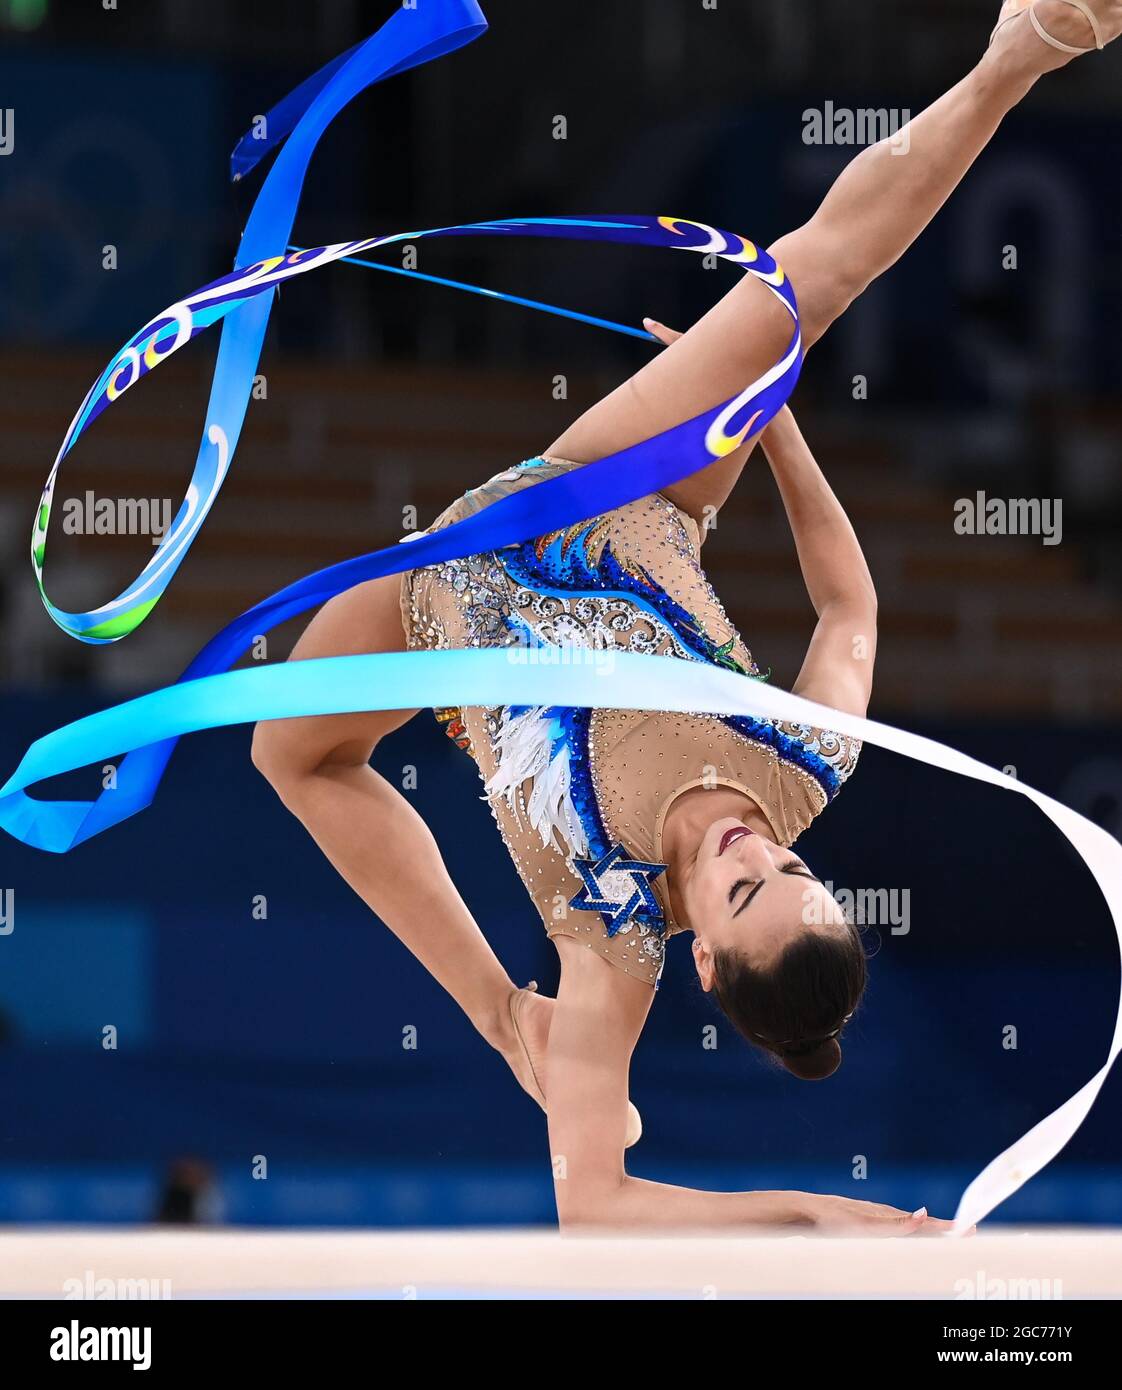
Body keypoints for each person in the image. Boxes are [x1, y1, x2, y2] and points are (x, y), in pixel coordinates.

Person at [251, 3, 1120, 1233]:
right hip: (613, 492)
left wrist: (821, 1218)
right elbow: (850, 604)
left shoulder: (610, 938)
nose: (756, 853)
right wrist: (782, 426)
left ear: (701, 958)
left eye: (746, 894)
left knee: (290, 754)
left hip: (437, 592)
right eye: (795, 870)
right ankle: (1024, 46)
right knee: (808, 283)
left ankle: (500, 1018)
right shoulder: (804, 765)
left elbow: (596, 1213)